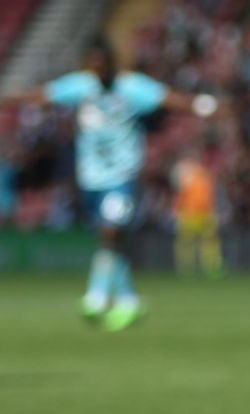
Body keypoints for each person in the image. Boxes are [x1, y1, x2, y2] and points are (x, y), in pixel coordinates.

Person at [0, 37, 216, 330]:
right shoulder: (82, 85)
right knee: (112, 242)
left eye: (101, 63)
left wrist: (205, 105)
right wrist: (7, 99)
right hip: (91, 178)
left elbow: (170, 99)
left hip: (122, 177)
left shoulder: (131, 87)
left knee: (110, 232)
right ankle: (129, 301)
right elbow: (41, 96)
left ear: (111, 63)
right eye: (92, 64)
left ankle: (96, 296)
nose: (97, 69)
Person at [173, 154, 225, 278]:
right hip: (190, 214)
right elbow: (182, 196)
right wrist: (178, 211)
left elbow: (209, 197)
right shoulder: (191, 176)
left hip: (202, 214)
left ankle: (210, 268)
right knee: (189, 243)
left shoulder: (200, 177)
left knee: (207, 243)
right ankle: (188, 269)